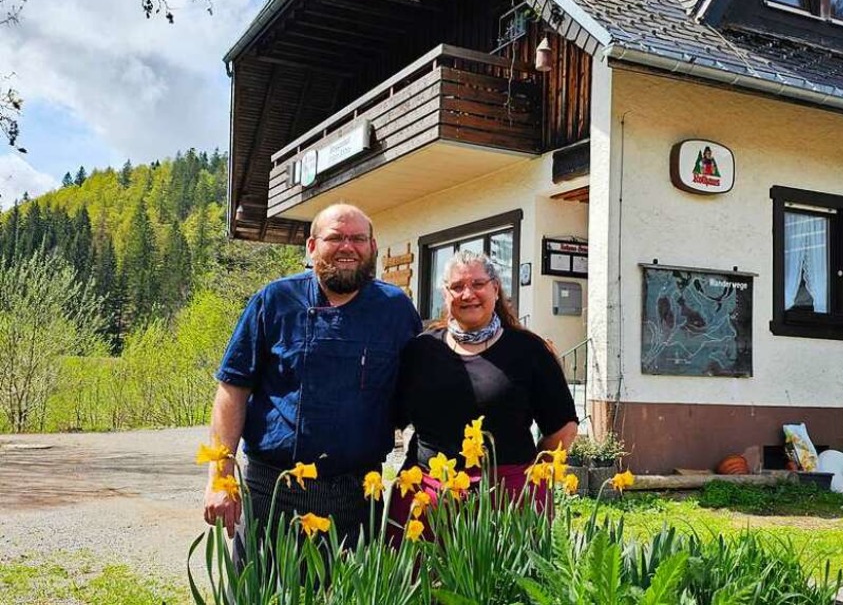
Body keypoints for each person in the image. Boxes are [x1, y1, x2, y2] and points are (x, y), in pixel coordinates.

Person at [202, 203, 421, 560]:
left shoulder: (395, 309)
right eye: (335, 237)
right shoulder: (274, 300)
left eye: (358, 238)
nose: (347, 247)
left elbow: (420, 391)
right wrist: (220, 479)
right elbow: (232, 390)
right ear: (311, 247)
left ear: (373, 246)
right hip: (272, 490)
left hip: (357, 492)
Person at [389, 250, 578, 534]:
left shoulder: (530, 351)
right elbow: (397, 417)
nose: (468, 294)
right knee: (420, 579)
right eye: (457, 287)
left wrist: (530, 479)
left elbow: (563, 429)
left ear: (495, 288)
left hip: (507, 496)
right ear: (445, 294)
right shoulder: (421, 350)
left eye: (478, 284)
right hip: (427, 495)